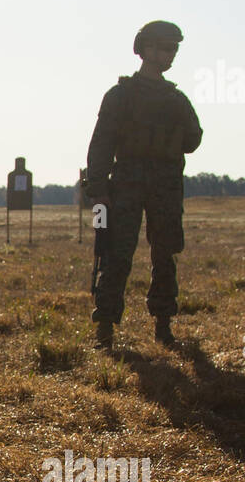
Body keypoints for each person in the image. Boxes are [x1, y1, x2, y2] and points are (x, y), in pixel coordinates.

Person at [85, 19, 202, 351]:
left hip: (165, 183)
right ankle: (105, 328)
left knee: (165, 254)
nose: (169, 54)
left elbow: (194, 138)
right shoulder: (121, 95)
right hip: (126, 183)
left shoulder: (175, 99)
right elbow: (102, 144)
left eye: (173, 49)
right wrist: (99, 189)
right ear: (145, 49)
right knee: (116, 254)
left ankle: (163, 325)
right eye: (164, 47)